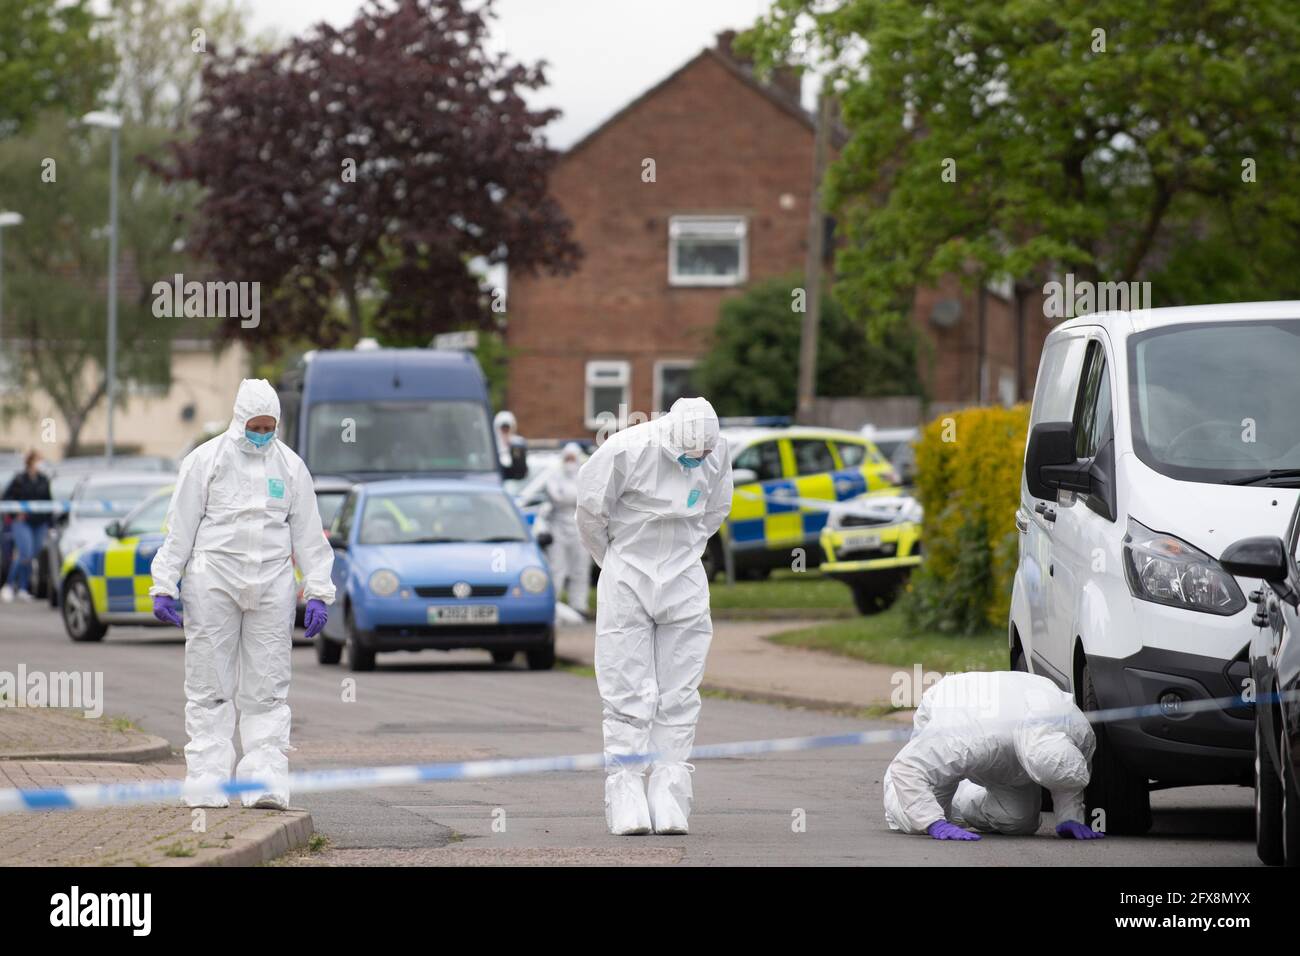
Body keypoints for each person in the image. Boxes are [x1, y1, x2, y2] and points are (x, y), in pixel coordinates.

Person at [149, 379, 335, 810]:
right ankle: (207, 781)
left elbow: (309, 535)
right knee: (210, 686)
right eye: (256, 424)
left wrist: (319, 591)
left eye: (270, 425)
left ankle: (263, 781)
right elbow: (180, 528)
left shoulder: (289, 467)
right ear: (239, 420)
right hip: (212, 581)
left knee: (267, 688)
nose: (263, 432)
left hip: (272, 584)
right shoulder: (206, 461)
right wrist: (165, 583)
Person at [576, 397, 733, 835]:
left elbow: (715, 510)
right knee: (626, 690)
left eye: (703, 453)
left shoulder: (717, 451)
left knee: (680, 692)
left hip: (684, 574)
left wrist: (683, 554)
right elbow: (590, 514)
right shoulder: (625, 450)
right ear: (669, 434)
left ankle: (670, 794)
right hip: (628, 571)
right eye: (691, 452)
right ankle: (625, 792)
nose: (696, 459)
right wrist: (617, 563)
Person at [882, 670, 1104, 841]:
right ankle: (896, 791)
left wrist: (1070, 817)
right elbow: (907, 767)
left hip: (1013, 701)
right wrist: (933, 822)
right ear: (1029, 763)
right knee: (916, 821)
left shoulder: (1077, 730)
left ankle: (960, 797)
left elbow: (1066, 774)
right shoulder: (968, 738)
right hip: (956, 699)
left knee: (1018, 822)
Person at [544, 443, 591, 617]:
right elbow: (556, 497)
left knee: (580, 569)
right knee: (557, 568)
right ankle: (552, 605)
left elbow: (586, 498)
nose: (570, 462)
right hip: (558, 528)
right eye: (567, 458)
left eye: (573, 458)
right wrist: (573, 497)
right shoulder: (555, 475)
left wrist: (569, 496)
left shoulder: (585, 475)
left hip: (579, 528)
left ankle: (579, 605)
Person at [1, 451, 52, 602]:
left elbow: (49, 502)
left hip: (39, 523)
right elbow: (6, 498)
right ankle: (8, 585)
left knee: (30, 556)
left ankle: (23, 588)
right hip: (22, 523)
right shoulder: (19, 479)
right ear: (30, 462)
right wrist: (16, 512)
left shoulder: (44, 480)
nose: (40, 464)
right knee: (25, 553)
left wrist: (50, 523)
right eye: (38, 461)